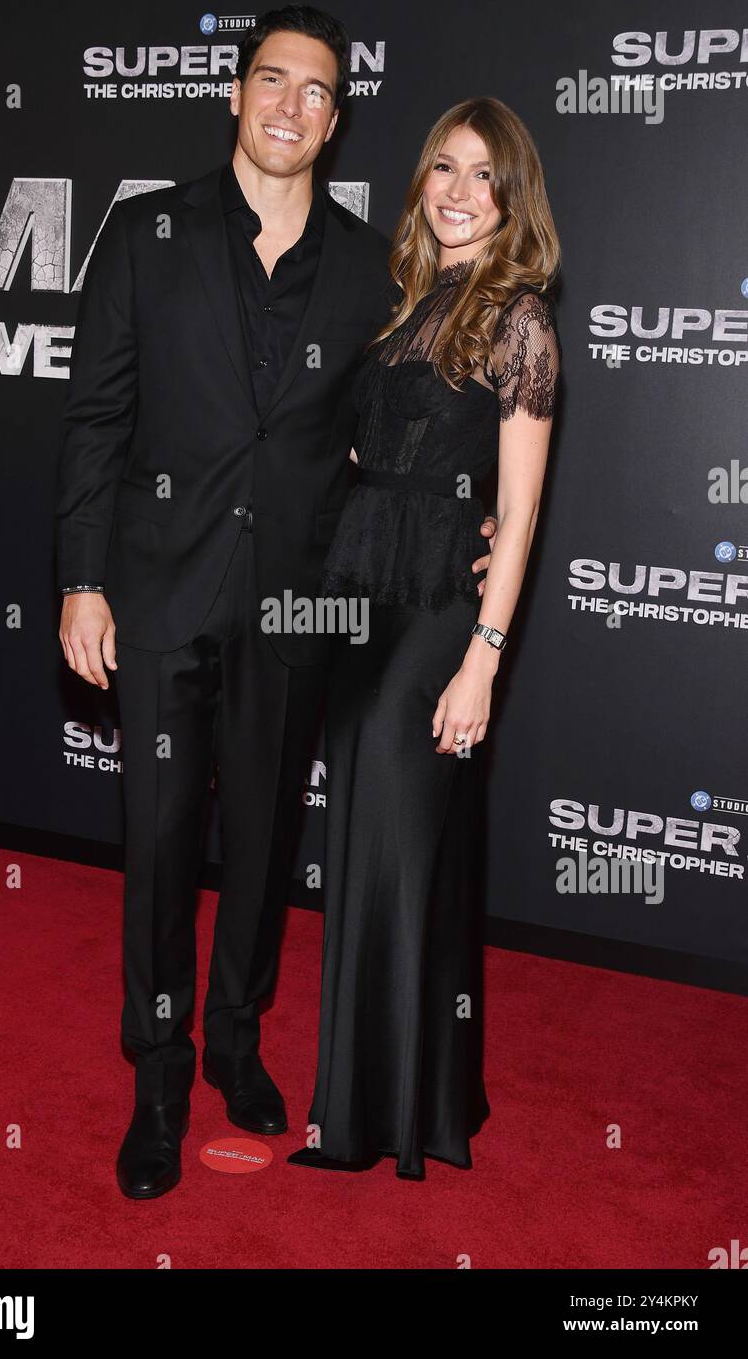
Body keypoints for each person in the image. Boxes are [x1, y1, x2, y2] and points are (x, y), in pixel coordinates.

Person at [55, 3, 501, 1200]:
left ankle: (239, 1047)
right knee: (156, 850)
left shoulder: (372, 272)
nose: (291, 105)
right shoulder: (146, 234)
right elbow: (96, 417)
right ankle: (159, 1077)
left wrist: (480, 515)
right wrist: (83, 578)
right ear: (235, 92)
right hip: (156, 590)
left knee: (260, 844)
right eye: (273, 80)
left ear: (337, 118)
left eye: (316, 91)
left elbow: (408, 426)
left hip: (301, 611)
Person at [288, 97, 562, 1180]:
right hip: (366, 594)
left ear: (512, 196)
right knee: (370, 838)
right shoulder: (411, 303)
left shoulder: (519, 318)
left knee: (401, 844)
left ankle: (379, 1115)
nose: (455, 191)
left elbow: (524, 507)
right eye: (442, 168)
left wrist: (483, 658)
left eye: (481, 176)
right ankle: (413, 1091)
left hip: (442, 611)